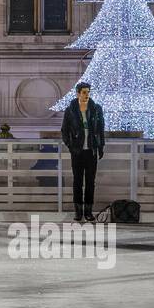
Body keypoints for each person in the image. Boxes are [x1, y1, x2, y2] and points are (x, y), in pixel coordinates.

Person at [60, 82, 105, 221]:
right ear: (78, 93)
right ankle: (78, 211)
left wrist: (101, 146)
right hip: (77, 152)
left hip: (91, 151)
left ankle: (88, 211)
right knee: (77, 182)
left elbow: (100, 130)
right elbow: (64, 130)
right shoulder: (71, 110)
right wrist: (71, 146)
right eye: (84, 92)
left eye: (88, 92)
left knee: (91, 182)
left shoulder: (96, 109)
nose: (87, 94)